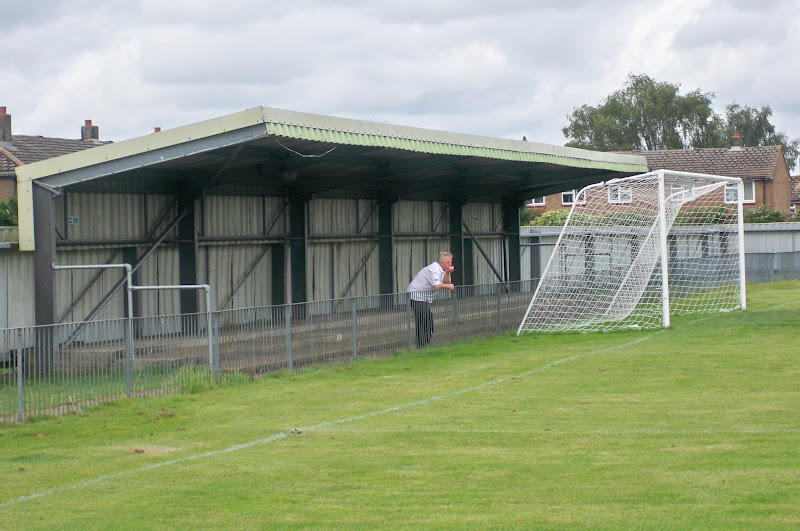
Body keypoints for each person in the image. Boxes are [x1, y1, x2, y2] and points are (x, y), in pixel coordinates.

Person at [407, 252, 455, 348]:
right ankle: (422, 344)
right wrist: (449, 286)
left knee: (426, 320)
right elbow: (437, 285)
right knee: (426, 320)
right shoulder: (434, 269)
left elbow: (446, 282)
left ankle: (424, 344)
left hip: (424, 298)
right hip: (415, 295)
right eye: (448, 262)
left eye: (450, 262)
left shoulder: (443, 270)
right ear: (441, 263)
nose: (450, 264)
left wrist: (448, 272)